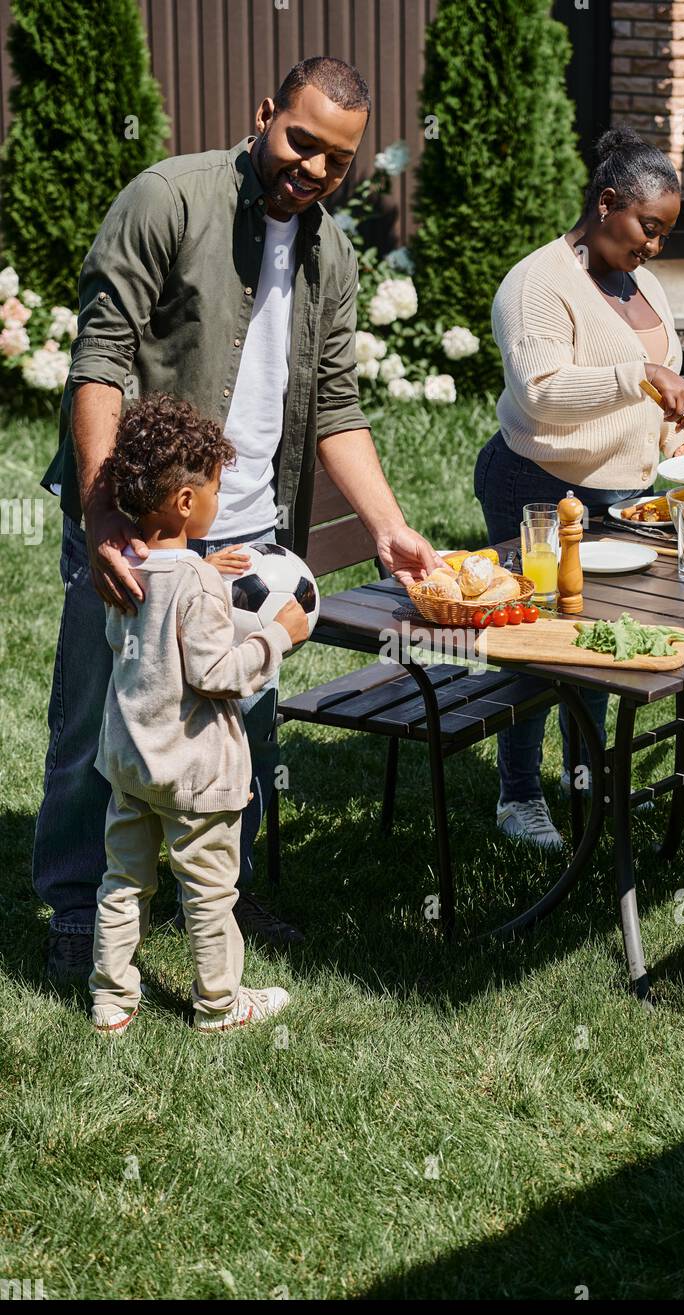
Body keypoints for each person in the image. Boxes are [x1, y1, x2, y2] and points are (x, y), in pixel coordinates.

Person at [34, 56, 438, 982]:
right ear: (265, 115)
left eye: (337, 161)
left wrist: (387, 526)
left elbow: (336, 404)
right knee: (100, 713)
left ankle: (220, 886)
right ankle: (70, 903)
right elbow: (99, 362)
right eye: (301, 142)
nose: (312, 170)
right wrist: (103, 515)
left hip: (250, 525)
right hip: (140, 518)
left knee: (241, 719)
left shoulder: (332, 251)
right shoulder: (166, 198)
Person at [475, 126, 684, 851]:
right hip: (537, 487)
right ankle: (518, 799)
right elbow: (541, 394)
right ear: (607, 203)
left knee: (604, 647)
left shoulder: (642, 281)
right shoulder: (536, 284)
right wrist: (639, 377)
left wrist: (674, 436)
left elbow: (651, 383)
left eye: (664, 233)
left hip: (621, 499)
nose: (654, 247)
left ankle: (590, 787)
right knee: (541, 643)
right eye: (648, 228)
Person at [90, 393, 309, 1033]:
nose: (219, 499)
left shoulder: (125, 569)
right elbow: (216, 674)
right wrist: (280, 636)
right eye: (215, 487)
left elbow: (141, 632)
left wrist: (200, 571)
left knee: (123, 883)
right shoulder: (200, 584)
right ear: (187, 502)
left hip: (131, 764)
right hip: (195, 777)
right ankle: (219, 1004)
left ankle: (111, 999)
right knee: (210, 894)